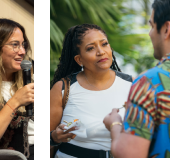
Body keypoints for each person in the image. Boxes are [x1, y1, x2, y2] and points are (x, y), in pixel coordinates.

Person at [50, 24, 133, 158]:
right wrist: (54, 137)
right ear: (79, 59)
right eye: (90, 48)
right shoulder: (63, 88)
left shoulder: (131, 84)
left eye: (104, 44)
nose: (101, 52)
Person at [103, 0, 170, 158]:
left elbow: (130, 154)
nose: (150, 33)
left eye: (152, 26)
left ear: (166, 29)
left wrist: (115, 124)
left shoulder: (150, 83)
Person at [0, 19, 34, 160]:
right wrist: (15, 102)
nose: (22, 51)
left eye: (23, 45)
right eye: (15, 45)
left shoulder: (30, 78)